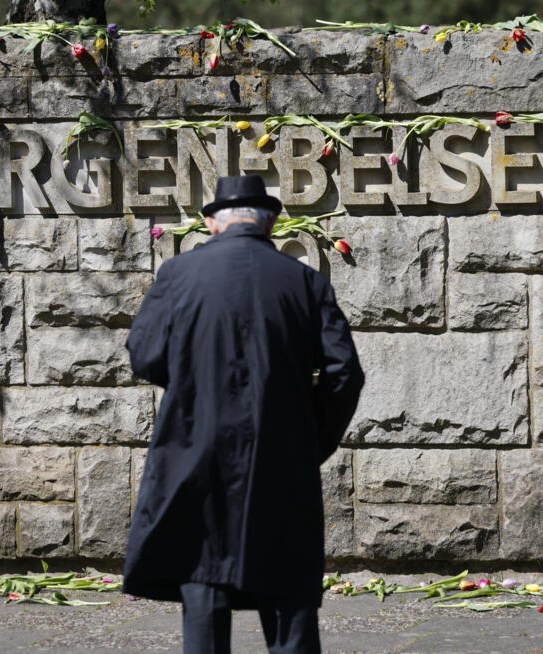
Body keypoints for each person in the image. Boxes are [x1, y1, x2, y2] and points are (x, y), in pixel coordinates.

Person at [123, 174, 365, 654]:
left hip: (196, 451)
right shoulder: (304, 281)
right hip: (281, 453)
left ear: (213, 223)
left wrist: (195, 385)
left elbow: (145, 356)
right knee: (288, 591)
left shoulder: (178, 274)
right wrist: (312, 440)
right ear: (271, 223)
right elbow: (345, 374)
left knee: (203, 581)